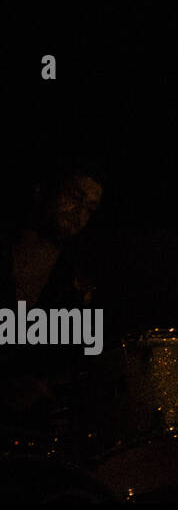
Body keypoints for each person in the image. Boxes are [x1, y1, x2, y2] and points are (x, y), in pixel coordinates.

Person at [0, 159, 106, 428]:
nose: (80, 212)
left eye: (90, 209)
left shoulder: (74, 283)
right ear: (42, 192)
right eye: (74, 197)